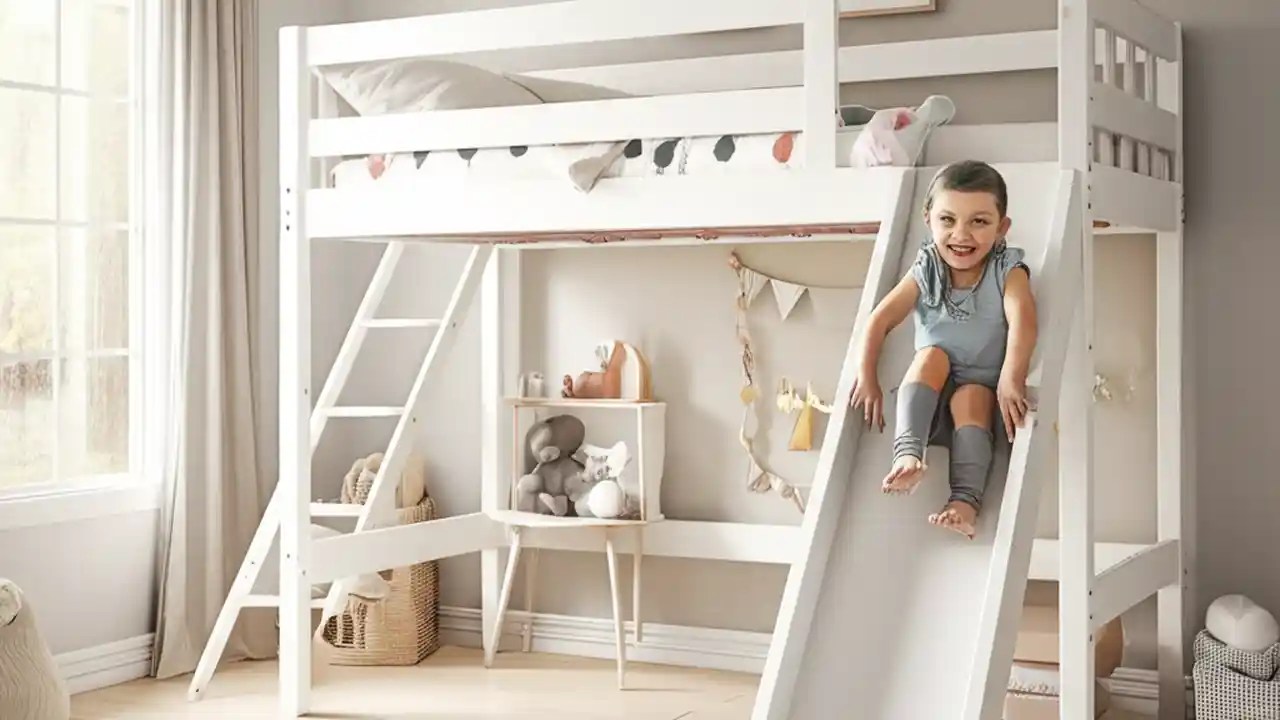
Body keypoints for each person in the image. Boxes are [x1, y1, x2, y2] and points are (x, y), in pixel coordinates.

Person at [848, 160, 1037, 539]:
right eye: (947, 220)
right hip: (928, 399)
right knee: (931, 356)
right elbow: (879, 320)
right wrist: (866, 377)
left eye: (979, 222)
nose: (961, 234)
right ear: (929, 219)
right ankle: (908, 454)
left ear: (1002, 228)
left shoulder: (1006, 270)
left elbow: (1023, 320)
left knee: (969, 396)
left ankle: (964, 505)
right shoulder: (928, 266)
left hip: (981, 398)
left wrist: (1011, 377)